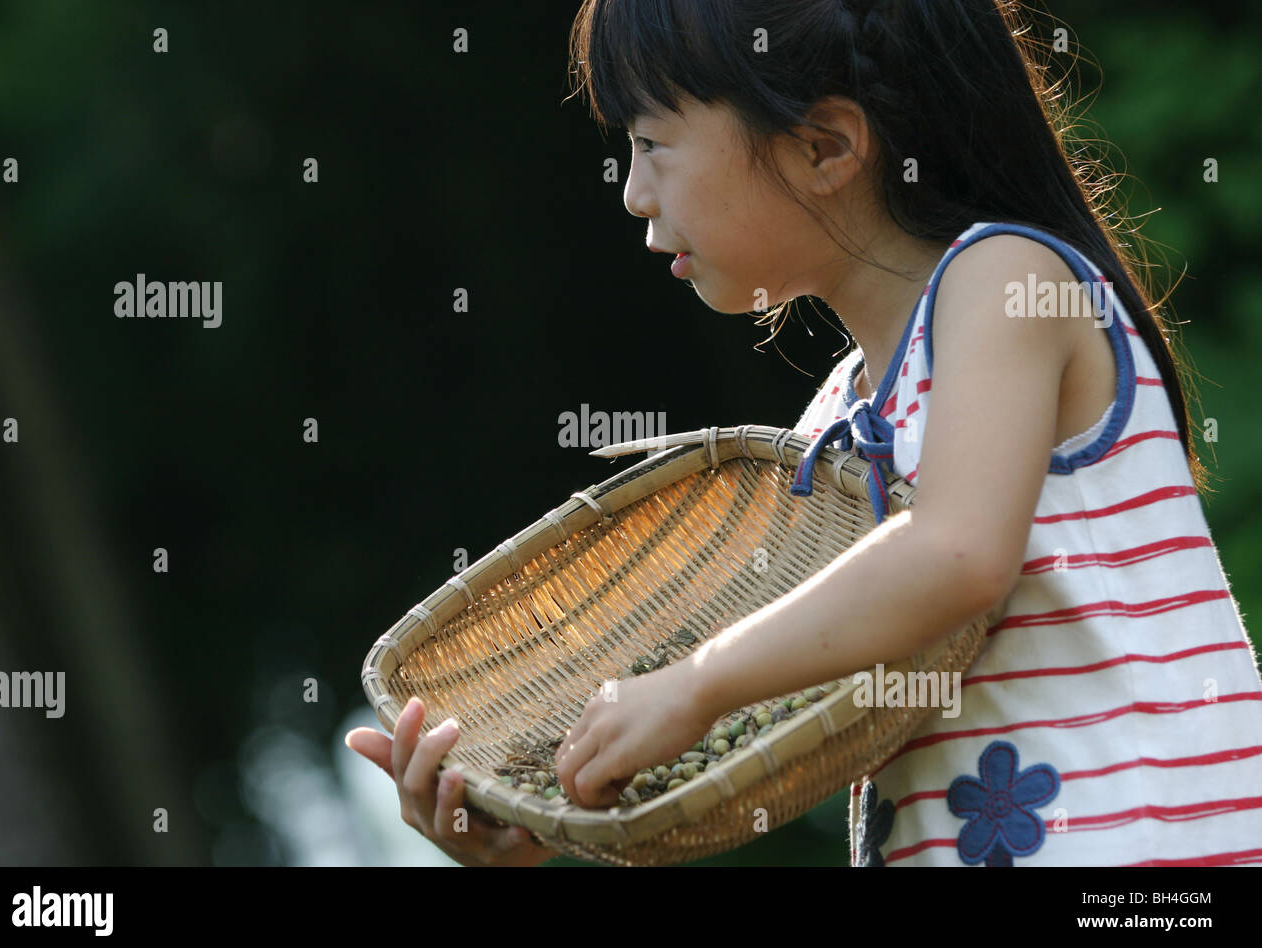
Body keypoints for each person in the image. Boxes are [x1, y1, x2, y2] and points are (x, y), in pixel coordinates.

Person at [347, 0, 1262, 866]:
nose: (632, 193)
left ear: (824, 147)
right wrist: (555, 809)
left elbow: (955, 552)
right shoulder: (830, 427)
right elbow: (783, 703)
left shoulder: (1007, 279)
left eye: (653, 143)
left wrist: (696, 681)